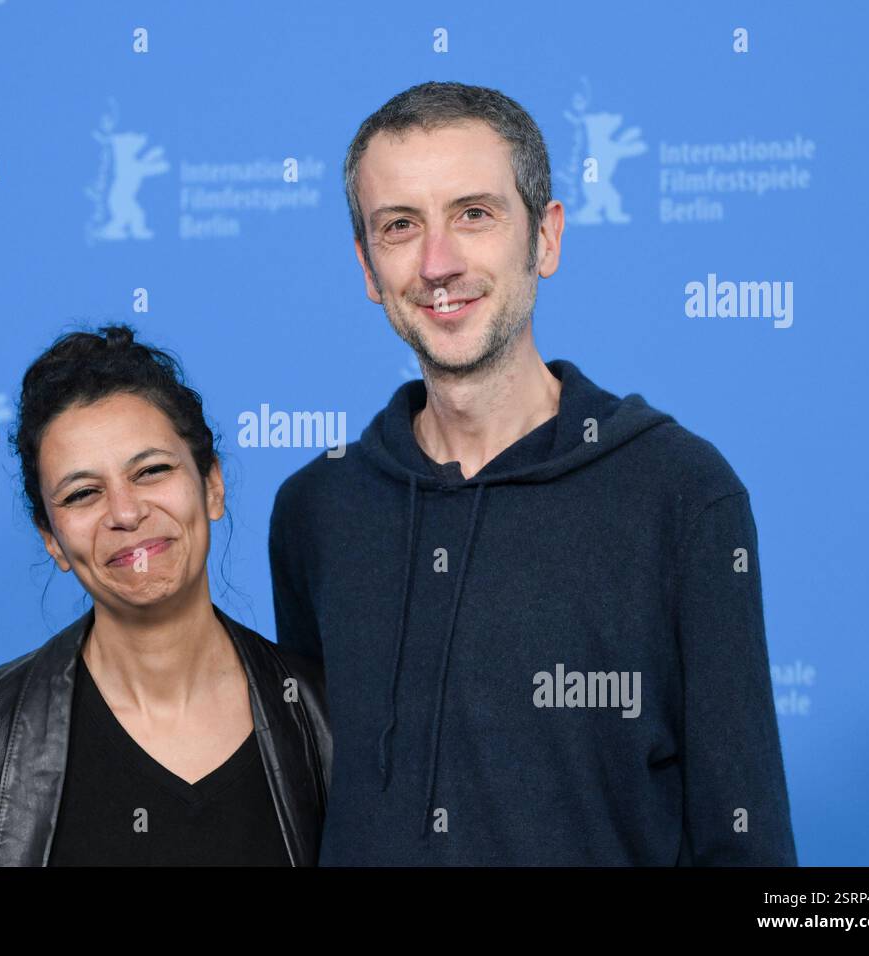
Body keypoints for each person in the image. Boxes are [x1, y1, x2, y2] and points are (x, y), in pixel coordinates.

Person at [268, 81, 798, 865]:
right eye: (400, 226)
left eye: (474, 214)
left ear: (545, 238)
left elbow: (745, 838)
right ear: (368, 266)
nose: (438, 263)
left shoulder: (680, 492)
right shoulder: (318, 509)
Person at [0, 324, 331, 866]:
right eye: (83, 493)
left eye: (151, 471)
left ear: (212, 484)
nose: (125, 513)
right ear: (52, 538)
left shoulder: (329, 717)